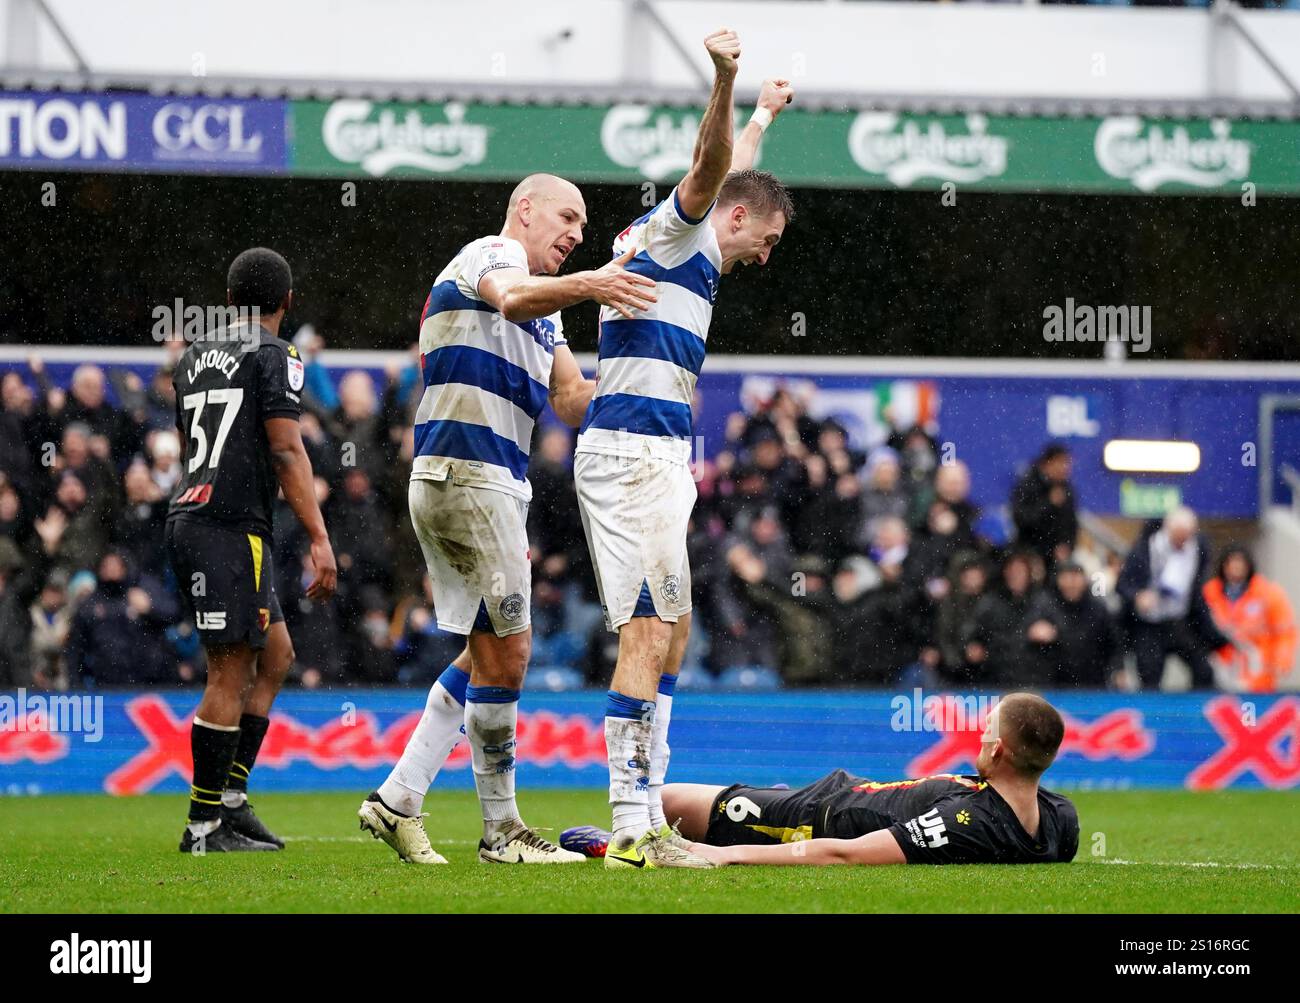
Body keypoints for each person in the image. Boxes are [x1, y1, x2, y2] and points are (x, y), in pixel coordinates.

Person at [358, 172, 657, 866]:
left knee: (488, 651)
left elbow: (572, 399)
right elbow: (513, 296)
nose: (577, 232)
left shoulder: (546, 314)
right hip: (469, 474)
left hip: (479, 480)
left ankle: (398, 799)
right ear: (523, 210)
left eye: (583, 226)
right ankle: (502, 831)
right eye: (567, 216)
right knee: (512, 653)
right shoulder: (492, 255)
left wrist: (639, 375)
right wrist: (596, 281)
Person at [573, 28, 796, 869]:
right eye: (765, 239)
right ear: (735, 218)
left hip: (655, 455)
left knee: (675, 626)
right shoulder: (682, 229)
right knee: (645, 630)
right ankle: (633, 820)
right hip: (632, 453)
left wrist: (764, 117)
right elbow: (710, 168)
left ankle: (648, 802)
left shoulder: (695, 240)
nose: (764, 257)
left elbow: (730, 166)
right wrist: (726, 77)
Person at [168, 247, 337, 853]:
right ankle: (202, 825)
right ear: (286, 303)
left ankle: (230, 801)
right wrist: (319, 537)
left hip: (198, 515)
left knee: (277, 655)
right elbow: (286, 451)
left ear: (232, 299)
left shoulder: (191, 358)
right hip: (228, 526)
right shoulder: (275, 354)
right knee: (231, 668)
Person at [635, 693, 1078, 867]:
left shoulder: (963, 822)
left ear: (998, 750)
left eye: (986, 732)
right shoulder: (1062, 820)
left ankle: (616, 842)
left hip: (822, 814)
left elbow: (844, 854)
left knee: (666, 803)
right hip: (850, 792)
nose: (979, 738)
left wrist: (725, 856)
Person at [1117, 507, 1228, 690]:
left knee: (1203, 669)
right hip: (1149, 622)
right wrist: (1138, 596)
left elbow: (1197, 591)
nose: (1181, 541)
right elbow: (1123, 585)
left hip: (1179, 621)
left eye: (1186, 536)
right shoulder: (1146, 547)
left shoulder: (1198, 548)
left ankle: (1197, 711)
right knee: (1150, 674)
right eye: (1178, 536)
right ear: (1167, 530)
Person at [1203, 544, 1297, 692]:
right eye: (1231, 563)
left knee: (1255, 710)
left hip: (1259, 669)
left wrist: (1282, 661)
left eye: (1240, 563)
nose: (1235, 568)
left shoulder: (1268, 593)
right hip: (1222, 670)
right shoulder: (1209, 592)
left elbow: (1284, 631)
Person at [1012, 443, 1078, 568]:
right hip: (1030, 554)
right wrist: (1048, 504)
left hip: (1058, 557)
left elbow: (1071, 523)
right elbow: (1022, 519)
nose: (1065, 468)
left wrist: (1067, 546)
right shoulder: (1028, 486)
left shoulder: (1067, 489)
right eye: (1061, 463)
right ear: (1047, 463)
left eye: (1067, 463)